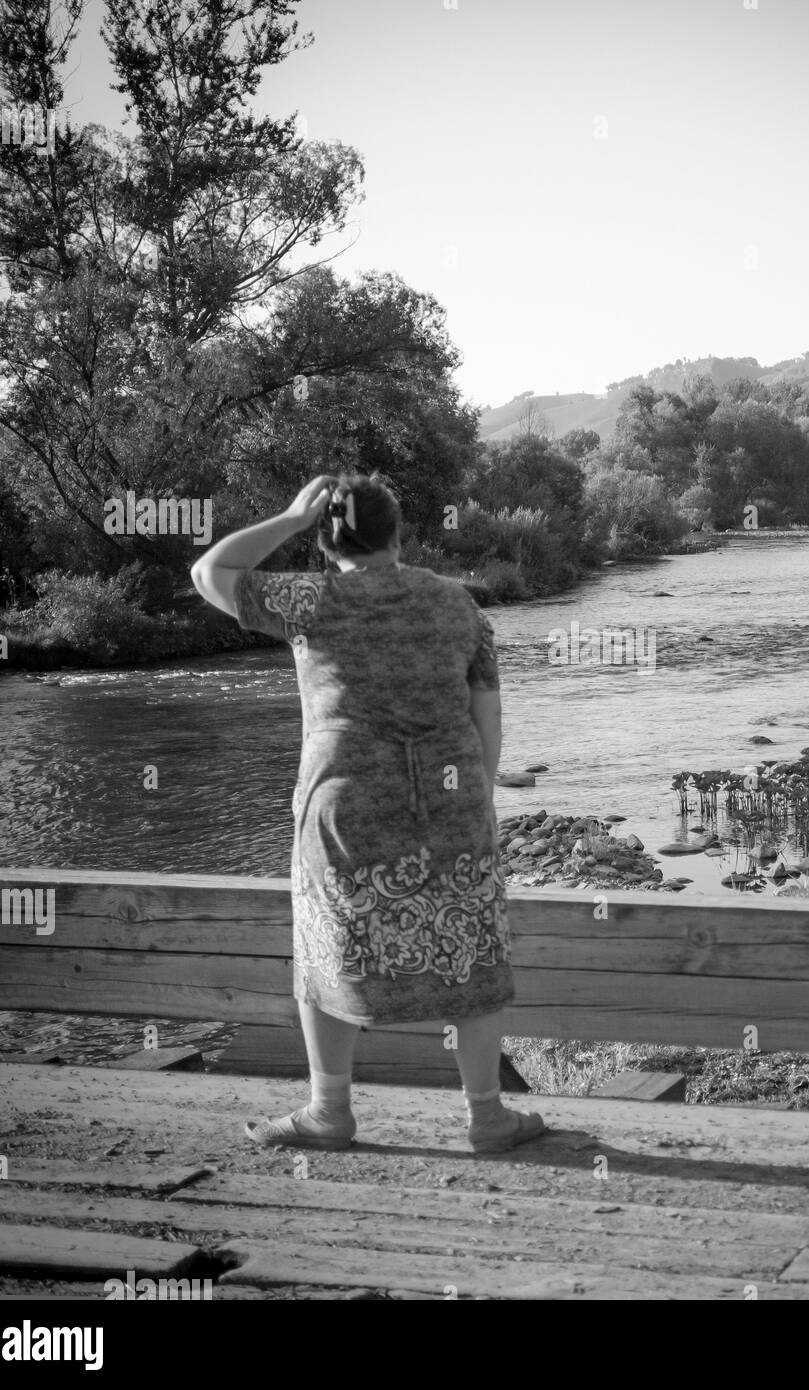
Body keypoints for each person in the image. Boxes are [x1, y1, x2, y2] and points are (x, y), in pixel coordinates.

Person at [189, 472, 547, 1154]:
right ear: (399, 533)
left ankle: (330, 1111)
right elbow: (487, 717)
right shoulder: (459, 606)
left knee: (326, 952)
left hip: (343, 808)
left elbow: (211, 570)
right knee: (470, 955)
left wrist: (293, 517)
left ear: (327, 543)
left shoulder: (307, 598)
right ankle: (487, 1115)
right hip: (449, 801)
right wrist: (481, 798)